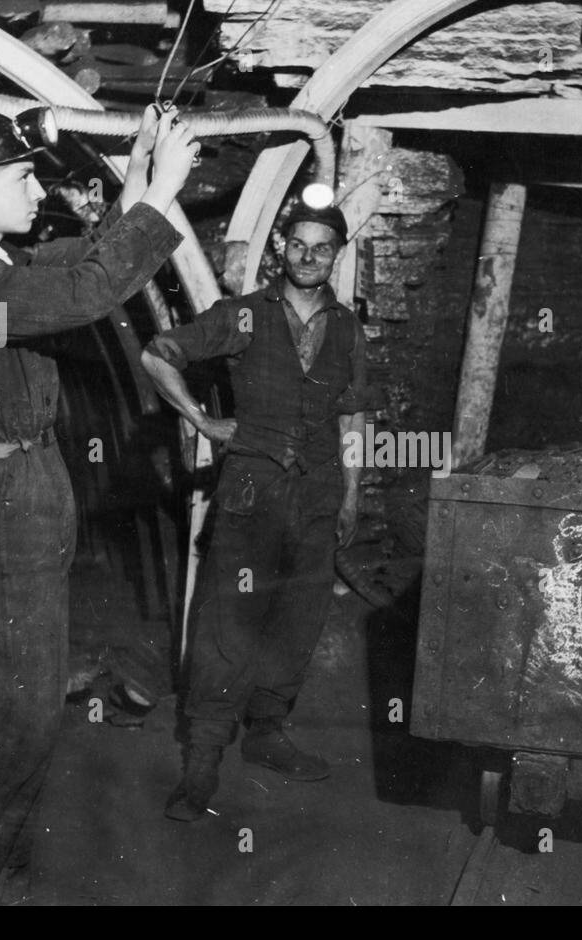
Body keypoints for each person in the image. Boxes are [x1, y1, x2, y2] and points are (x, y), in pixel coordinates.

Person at [0, 106, 200, 905]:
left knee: (31, 703)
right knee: (15, 713)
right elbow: (90, 292)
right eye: (23, 176)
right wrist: (164, 192)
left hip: (22, 489)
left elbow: (88, 260)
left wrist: (134, 179)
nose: (37, 188)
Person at [141, 202, 370, 822]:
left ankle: (267, 733)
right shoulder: (242, 314)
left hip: (319, 495)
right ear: (280, 248)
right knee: (229, 621)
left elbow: (353, 413)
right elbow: (158, 353)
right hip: (252, 491)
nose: (308, 256)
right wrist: (201, 420)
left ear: (336, 255)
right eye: (298, 244)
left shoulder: (348, 328)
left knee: (297, 616)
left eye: (321, 247)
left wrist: (351, 492)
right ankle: (203, 761)